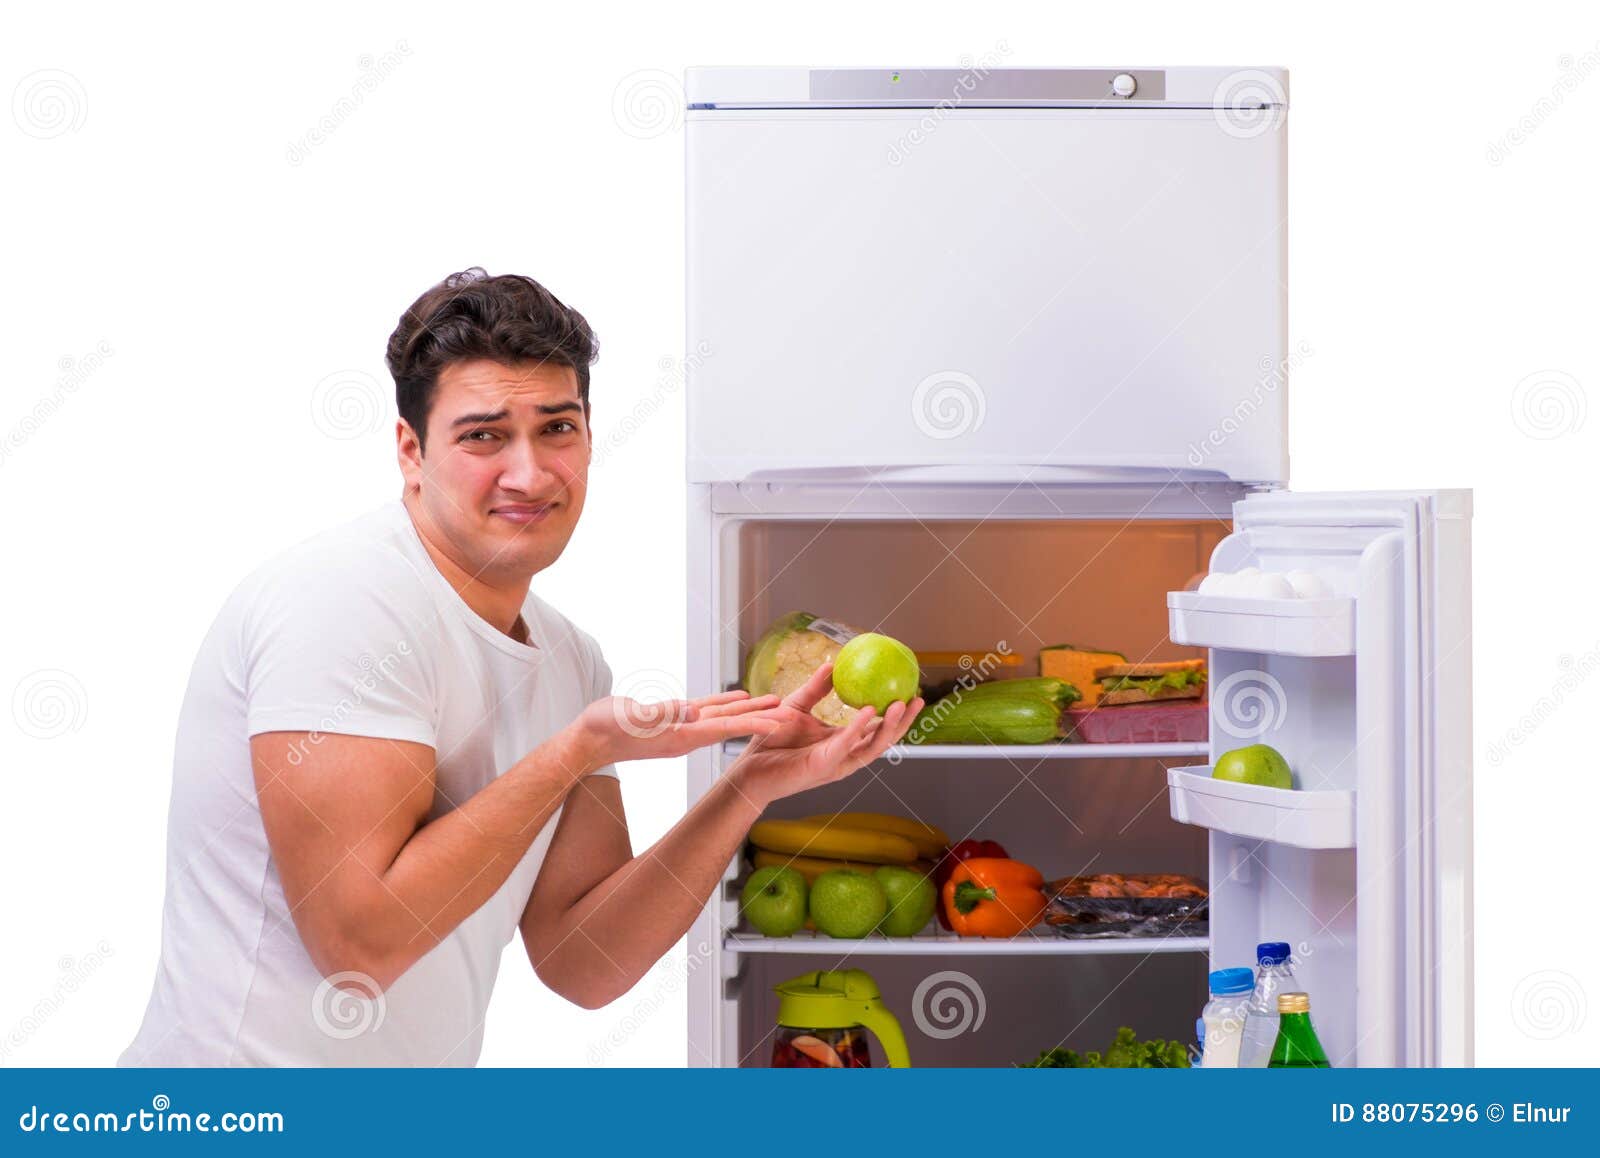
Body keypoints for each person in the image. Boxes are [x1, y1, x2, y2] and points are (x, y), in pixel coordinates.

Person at [119, 268, 921, 1065]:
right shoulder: (344, 602)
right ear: (411, 452)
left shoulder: (569, 659)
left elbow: (586, 961)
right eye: (483, 435)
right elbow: (358, 950)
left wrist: (749, 786)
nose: (531, 473)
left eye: (557, 429)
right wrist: (574, 753)